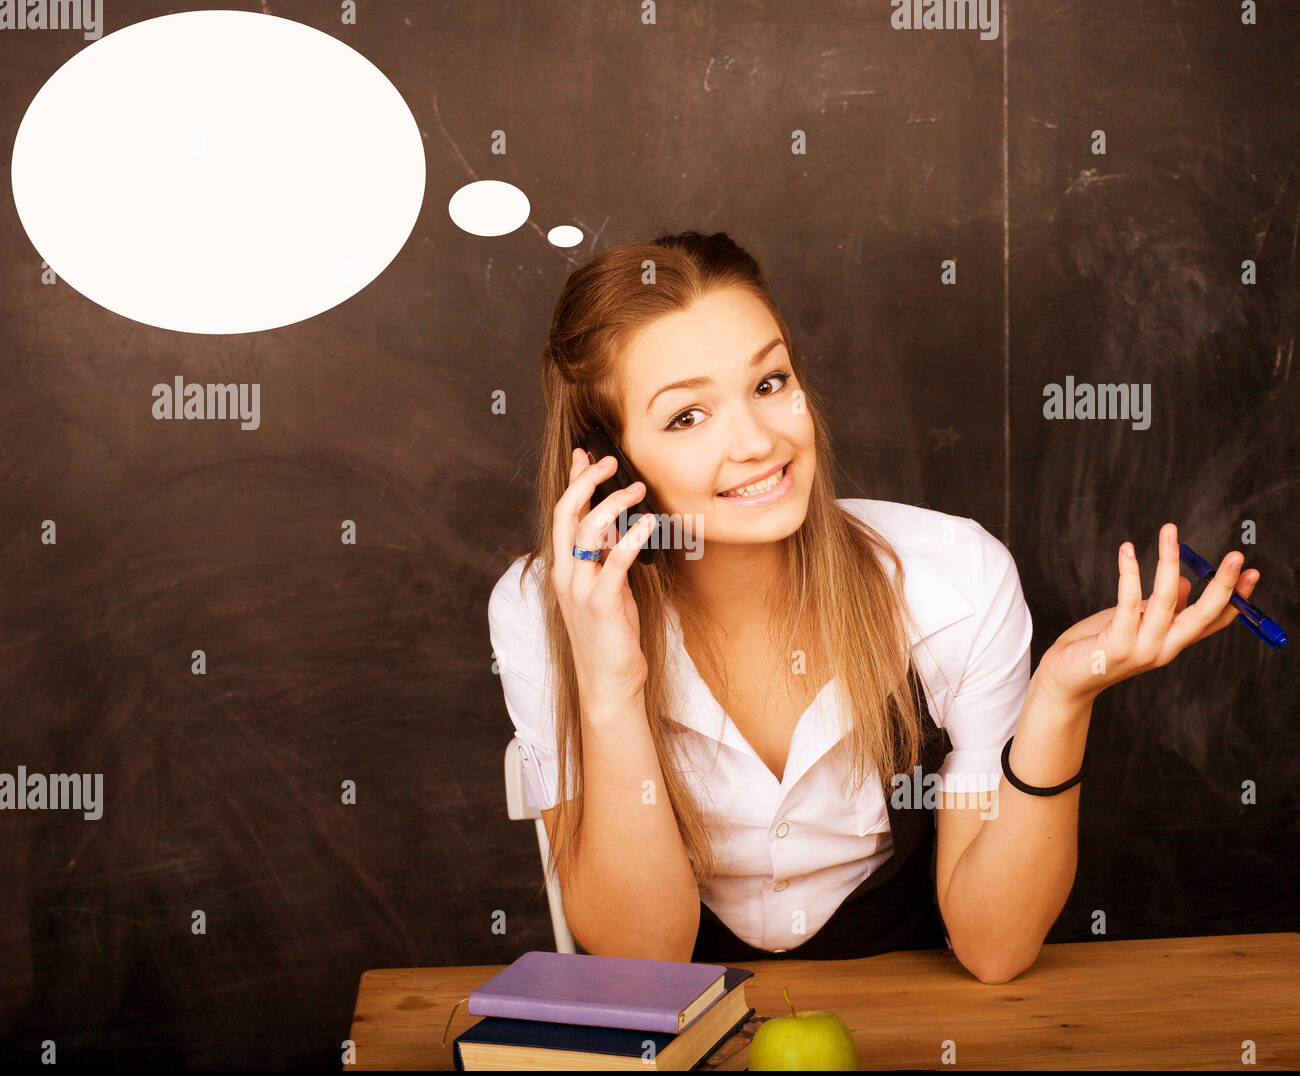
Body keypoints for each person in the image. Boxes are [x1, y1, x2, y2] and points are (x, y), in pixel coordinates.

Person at [487, 230, 1261, 981]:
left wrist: (1060, 695)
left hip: (918, 1018)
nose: (758, 441)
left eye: (770, 383)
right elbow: (641, 961)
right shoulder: (543, 610)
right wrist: (611, 684)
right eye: (688, 416)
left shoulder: (955, 578)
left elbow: (995, 948)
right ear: (609, 465)